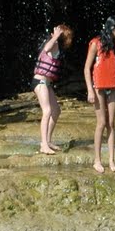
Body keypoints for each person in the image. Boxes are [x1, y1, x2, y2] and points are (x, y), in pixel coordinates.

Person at [84, 18, 115, 174]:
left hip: (113, 87)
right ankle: (97, 160)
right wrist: (89, 90)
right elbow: (87, 68)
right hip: (99, 87)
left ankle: (112, 160)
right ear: (112, 29)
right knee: (101, 123)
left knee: (111, 123)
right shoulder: (95, 43)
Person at [32, 24, 74, 155]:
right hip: (40, 82)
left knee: (56, 110)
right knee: (47, 111)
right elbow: (46, 48)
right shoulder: (53, 43)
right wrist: (55, 36)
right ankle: (43, 145)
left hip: (47, 83)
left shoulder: (57, 45)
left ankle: (48, 141)